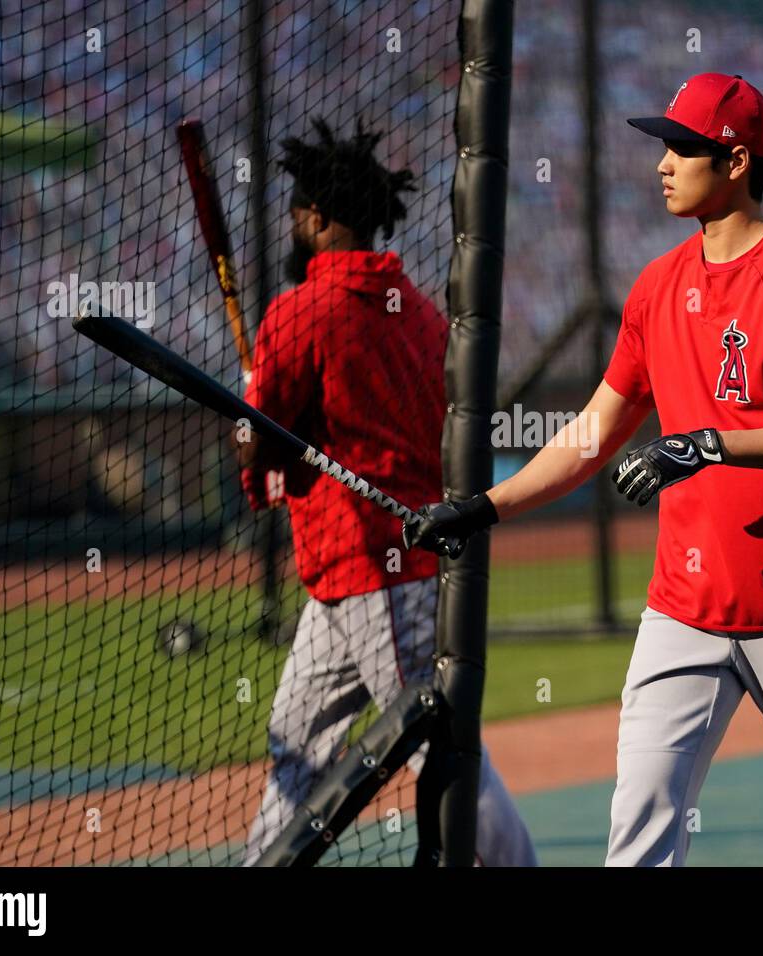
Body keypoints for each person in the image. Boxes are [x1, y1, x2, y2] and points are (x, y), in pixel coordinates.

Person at [404, 74, 763, 866]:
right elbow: (593, 433)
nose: (663, 163)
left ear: (737, 160)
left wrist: (716, 443)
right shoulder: (657, 286)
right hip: (682, 611)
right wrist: (483, 508)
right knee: (637, 836)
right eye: (662, 146)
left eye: (682, 147)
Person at [238, 117, 536, 866]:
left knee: (443, 748)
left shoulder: (301, 310)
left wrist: (252, 423)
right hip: (367, 569)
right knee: (298, 743)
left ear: (314, 219)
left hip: (376, 568)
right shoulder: (424, 313)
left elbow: (261, 443)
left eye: (298, 215)